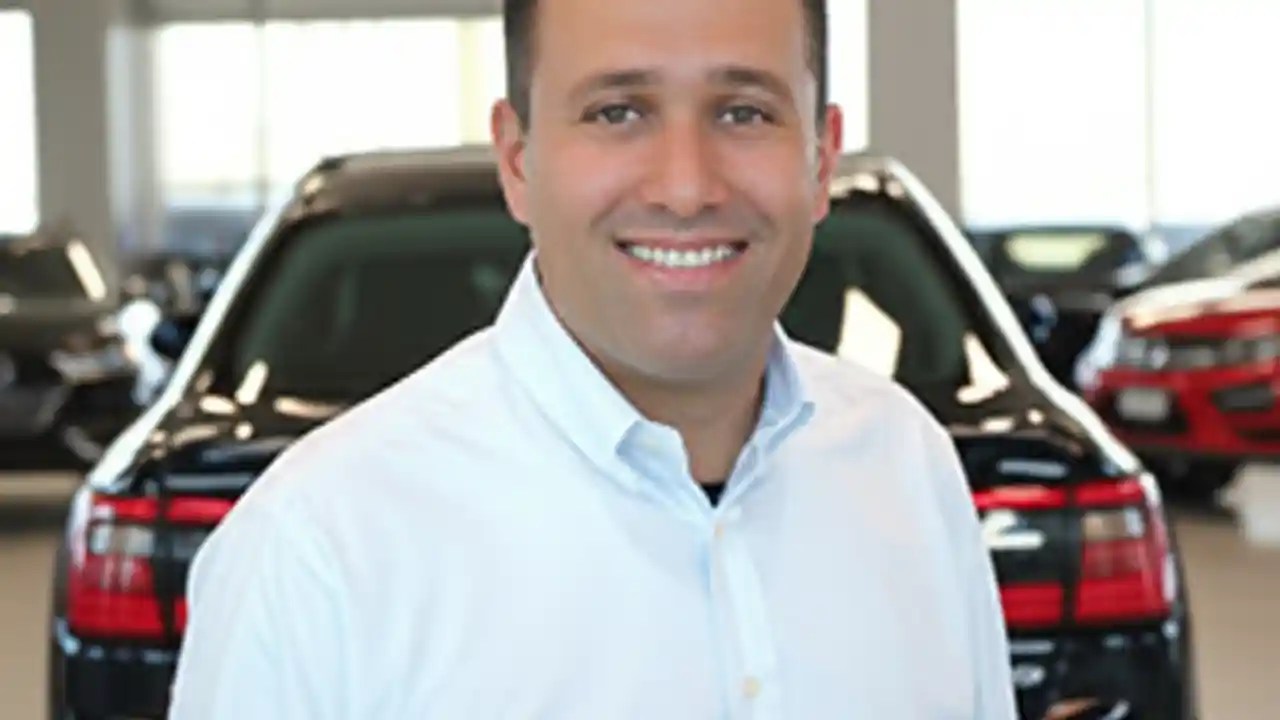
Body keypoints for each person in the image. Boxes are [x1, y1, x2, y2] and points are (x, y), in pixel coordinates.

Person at [168, 0, 1018, 717]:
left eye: (744, 112)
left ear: (822, 158)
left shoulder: (906, 468)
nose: (686, 188)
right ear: (517, 159)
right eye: (617, 112)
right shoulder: (320, 548)